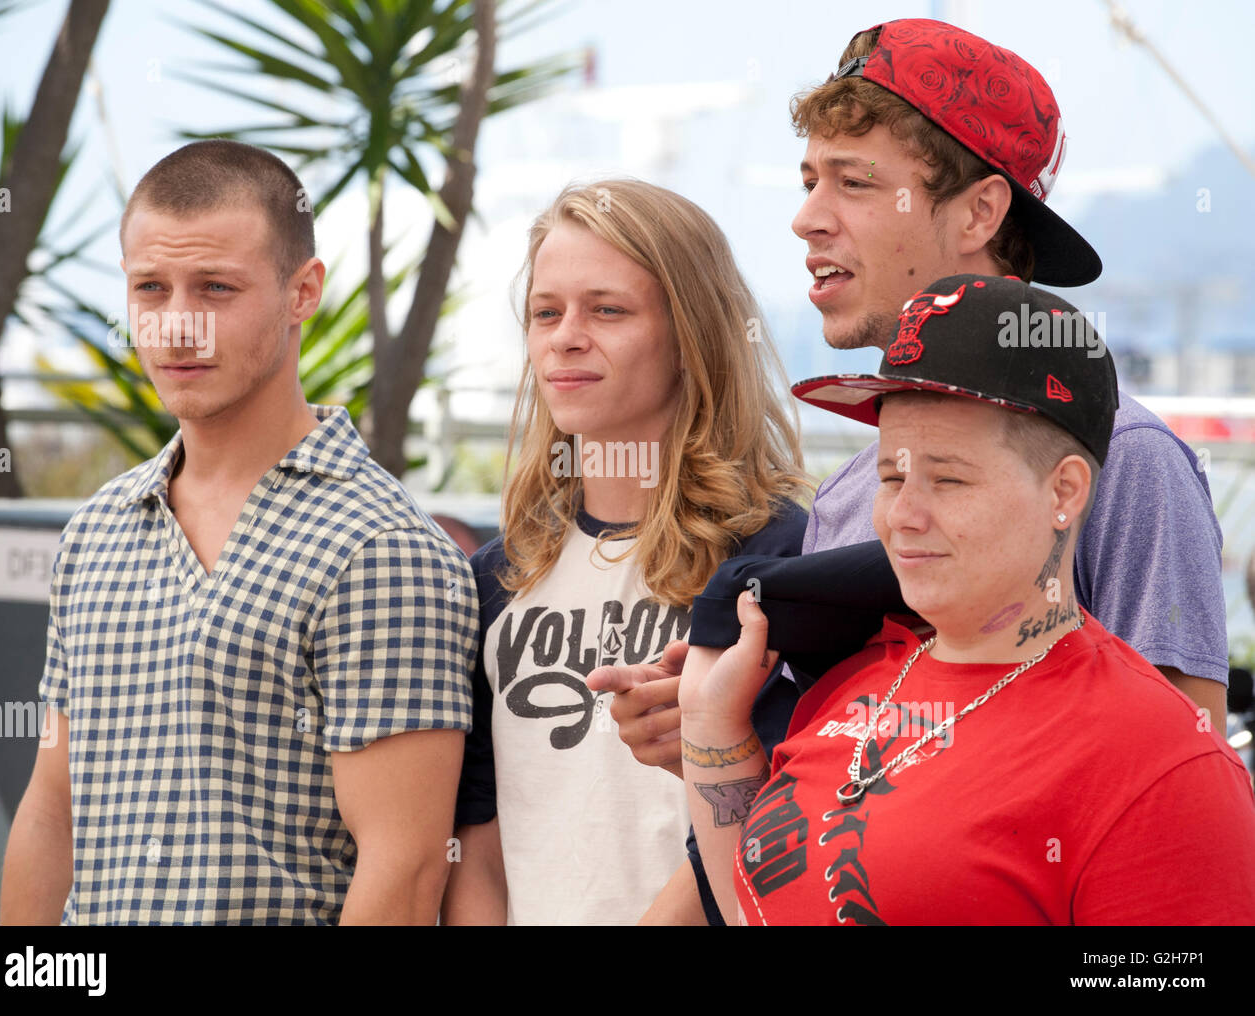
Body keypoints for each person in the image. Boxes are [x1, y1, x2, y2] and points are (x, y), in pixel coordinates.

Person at [590, 17, 1230, 923]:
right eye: (810, 178)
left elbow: (1171, 797)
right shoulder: (857, 491)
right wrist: (718, 729)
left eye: (855, 182)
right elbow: (838, 814)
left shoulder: (1125, 460)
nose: (807, 215)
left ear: (979, 212)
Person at [0, 140, 479, 925]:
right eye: (151, 289)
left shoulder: (382, 549)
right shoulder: (95, 533)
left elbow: (407, 868)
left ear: (303, 292)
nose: (178, 326)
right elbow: (53, 812)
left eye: (216, 288)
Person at [680, 273, 1255, 925]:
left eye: (947, 479)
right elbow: (750, 911)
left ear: (1064, 492)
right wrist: (712, 729)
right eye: (891, 476)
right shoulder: (850, 682)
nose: (903, 515)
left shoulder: (1158, 763)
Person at [439, 179, 812, 925]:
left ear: (693, 334)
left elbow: (786, 808)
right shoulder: (495, 576)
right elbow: (475, 839)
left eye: (607, 309)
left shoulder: (779, 555)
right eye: (546, 312)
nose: (565, 336)